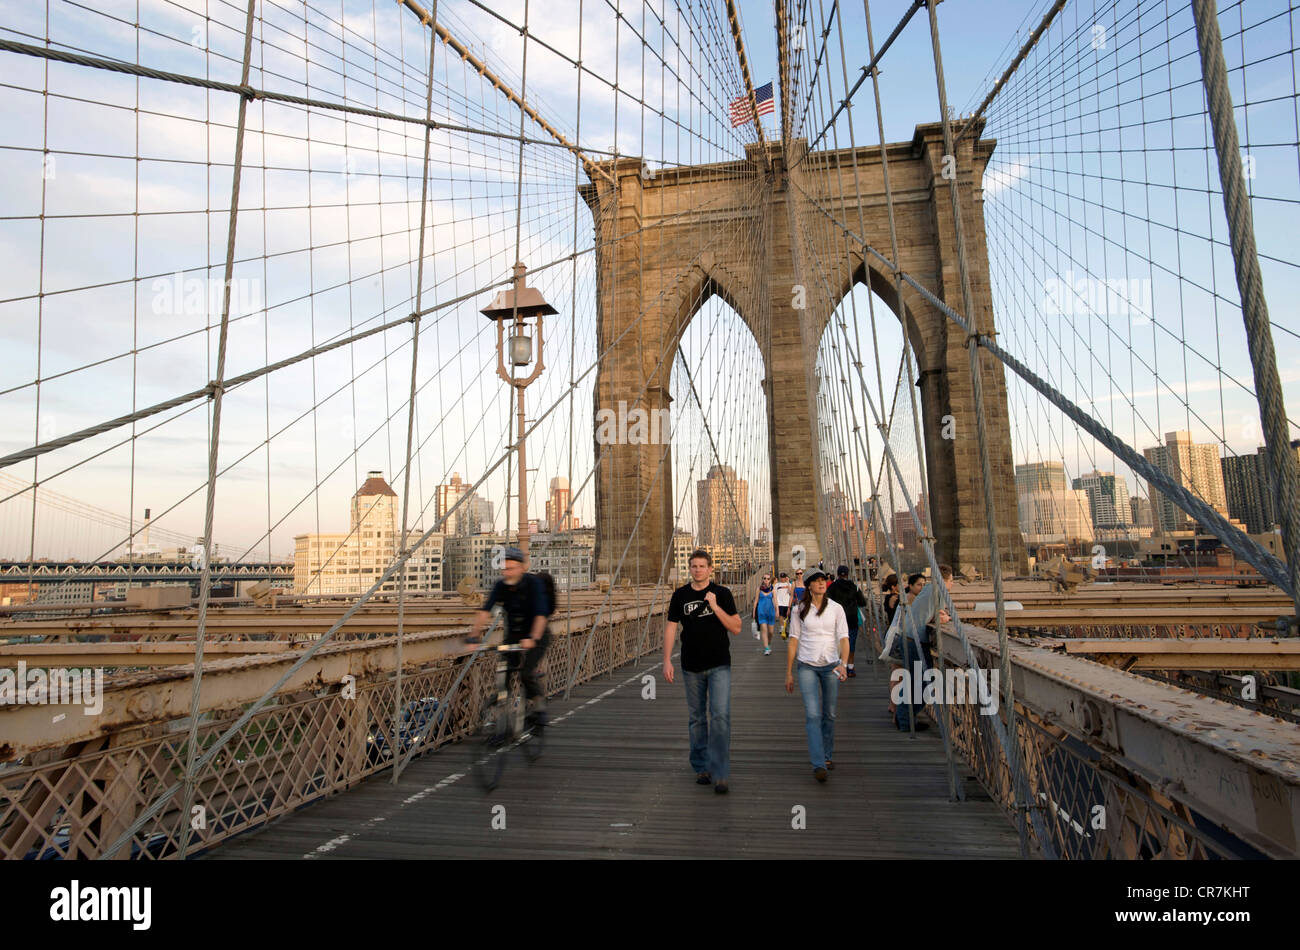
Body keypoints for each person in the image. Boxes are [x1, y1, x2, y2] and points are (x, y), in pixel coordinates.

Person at [664, 550, 741, 793]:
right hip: (690, 666)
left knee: (720, 716)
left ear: (710, 569)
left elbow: (737, 627)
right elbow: (670, 628)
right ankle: (702, 767)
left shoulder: (723, 594)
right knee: (697, 719)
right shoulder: (680, 595)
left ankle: (719, 770)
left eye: (702, 566)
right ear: (690, 569)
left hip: (719, 664)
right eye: (694, 566)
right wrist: (666, 660)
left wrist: (716, 607)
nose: (697, 570)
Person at [465, 547, 552, 729]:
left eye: (511, 568)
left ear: (522, 568)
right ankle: (503, 725)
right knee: (503, 673)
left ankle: (539, 707)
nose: (507, 572)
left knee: (526, 673)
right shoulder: (500, 585)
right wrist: (474, 636)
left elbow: (541, 615)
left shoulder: (533, 584)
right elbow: (485, 611)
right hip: (514, 635)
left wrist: (533, 638)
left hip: (537, 634)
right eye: (505, 568)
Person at [784, 569, 849, 782]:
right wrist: (789, 673)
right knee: (813, 715)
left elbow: (844, 638)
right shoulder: (798, 610)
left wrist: (844, 664)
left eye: (824, 581)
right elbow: (793, 640)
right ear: (809, 585)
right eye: (817, 581)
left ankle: (827, 755)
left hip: (831, 666)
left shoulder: (836, 609)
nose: (822, 584)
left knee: (829, 714)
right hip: (807, 666)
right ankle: (819, 763)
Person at [886, 567, 952, 733]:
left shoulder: (929, 589)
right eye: (952, 581)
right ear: (946, 580)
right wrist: (945, 618)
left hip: (908, 637)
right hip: (914, 640)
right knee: (923, 682)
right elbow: (938, 615)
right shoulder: (939, 590)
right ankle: (905, 719)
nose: (952, 584)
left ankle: (905, 718)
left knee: (916, 681)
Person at [826, 564, 867, 678]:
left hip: (836, 619)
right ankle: (850, 668)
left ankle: (839, 665)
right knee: (851, 642)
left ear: (838, 574)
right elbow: (863, 602)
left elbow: (827, 602)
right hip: (851, 618)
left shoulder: (832, 587)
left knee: (838, 642)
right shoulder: (854, 586)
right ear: (848, 574)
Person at [880, 573, 901, 717]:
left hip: (891, 633)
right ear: (894, 586)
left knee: (895, 672)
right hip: (897, 636)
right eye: (901, 583)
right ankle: (895, 705)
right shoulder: (896, 599)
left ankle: (892, 704)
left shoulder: (888, 598)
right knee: (898, 673)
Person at [751, 573, 777, 655]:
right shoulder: (759, 589)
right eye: (764, 578)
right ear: (762, 579)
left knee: (771, 632)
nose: (766, 580)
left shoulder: (773, 589)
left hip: (771, 612)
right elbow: (756, 601)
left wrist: (777, 610)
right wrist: (754, 612)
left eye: (768, 578)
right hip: (761, 612)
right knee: (764, 630)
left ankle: (768, 644)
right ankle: (766, 648)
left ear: (770, 580)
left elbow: (775, 601)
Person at [773, 571, 794, 638]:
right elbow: (774, 594)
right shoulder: (777, 585)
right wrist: (775, 604)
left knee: (786, 617)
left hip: (787, 603)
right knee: (781, 616)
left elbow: (790, 592)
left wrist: (788, 582)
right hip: (780, 603)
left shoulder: (789, 585)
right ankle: (782, 628)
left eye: (783, 577)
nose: (782, 579)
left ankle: (785, 627)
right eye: (781, 577)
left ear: (786, 578)